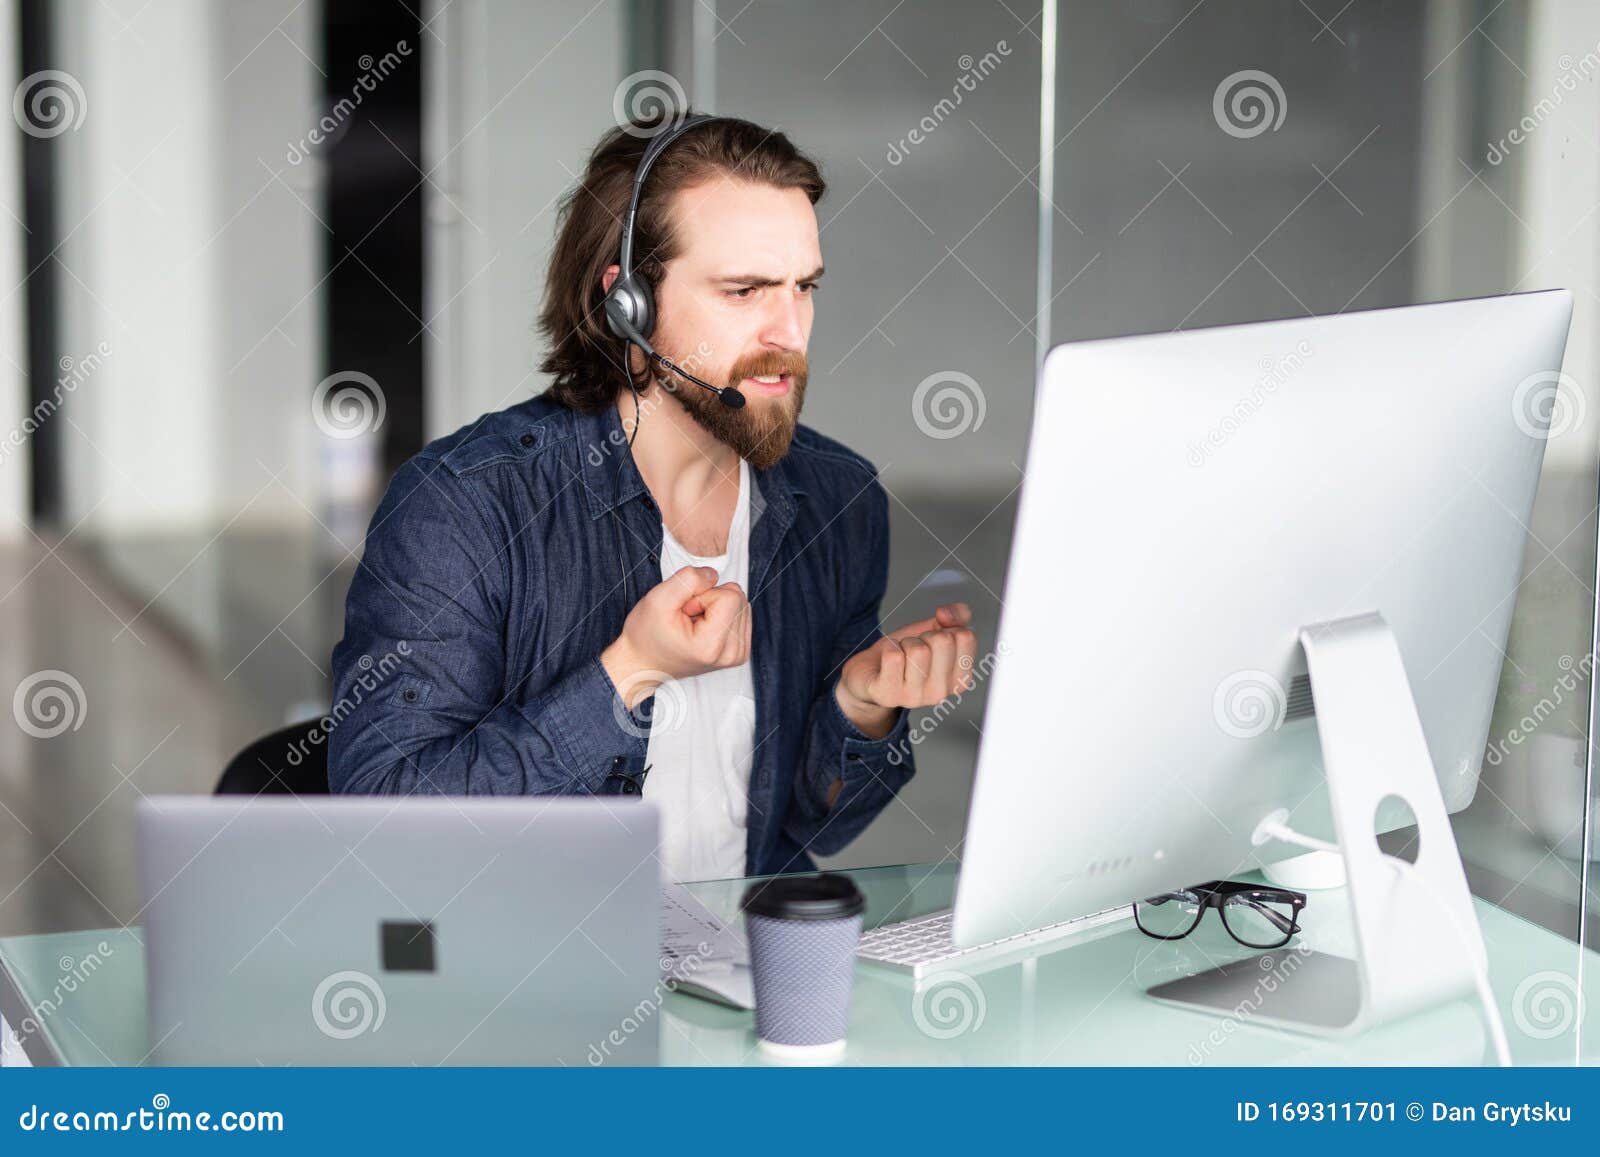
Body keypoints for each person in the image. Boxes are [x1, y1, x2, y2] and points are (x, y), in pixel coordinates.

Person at [329, 112, 978, 879]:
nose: (791, 331)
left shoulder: (839, 498)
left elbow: (809, 825)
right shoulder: (466, 507)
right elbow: (388, 830)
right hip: (539, 976)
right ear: (628, 304)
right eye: (745, 291)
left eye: (804, 287)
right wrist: (630, 670)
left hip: (740, 971)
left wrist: (862, 705)